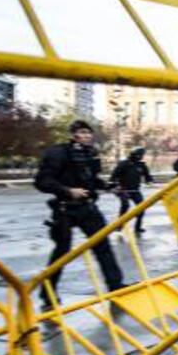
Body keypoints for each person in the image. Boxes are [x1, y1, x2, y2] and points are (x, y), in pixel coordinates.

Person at [34, 120, 125, 311]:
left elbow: (91, 180)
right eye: (82, 132)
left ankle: (115, 286)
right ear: (73, 134)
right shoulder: (58, 153)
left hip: (88, 208)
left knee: (103, 245)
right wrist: (68, 191)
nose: (87, 136)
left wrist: (109, 186)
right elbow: (42, 181)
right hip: (64, 208)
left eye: (89, 133)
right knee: (62, 252)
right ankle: (47, 293)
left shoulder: (89, 154)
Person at [110, 147, 153, 235]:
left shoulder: (141, 165)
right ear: (135, 155)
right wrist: (113, 185)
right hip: (123, 190)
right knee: (125, 206)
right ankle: (119, 226)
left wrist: (149, 180)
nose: (141, 157)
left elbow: (147, 175)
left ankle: (138, 227)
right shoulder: (123, 164)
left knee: (141, 207)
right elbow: (114, 175)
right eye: (140, 155)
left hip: (135, 190)